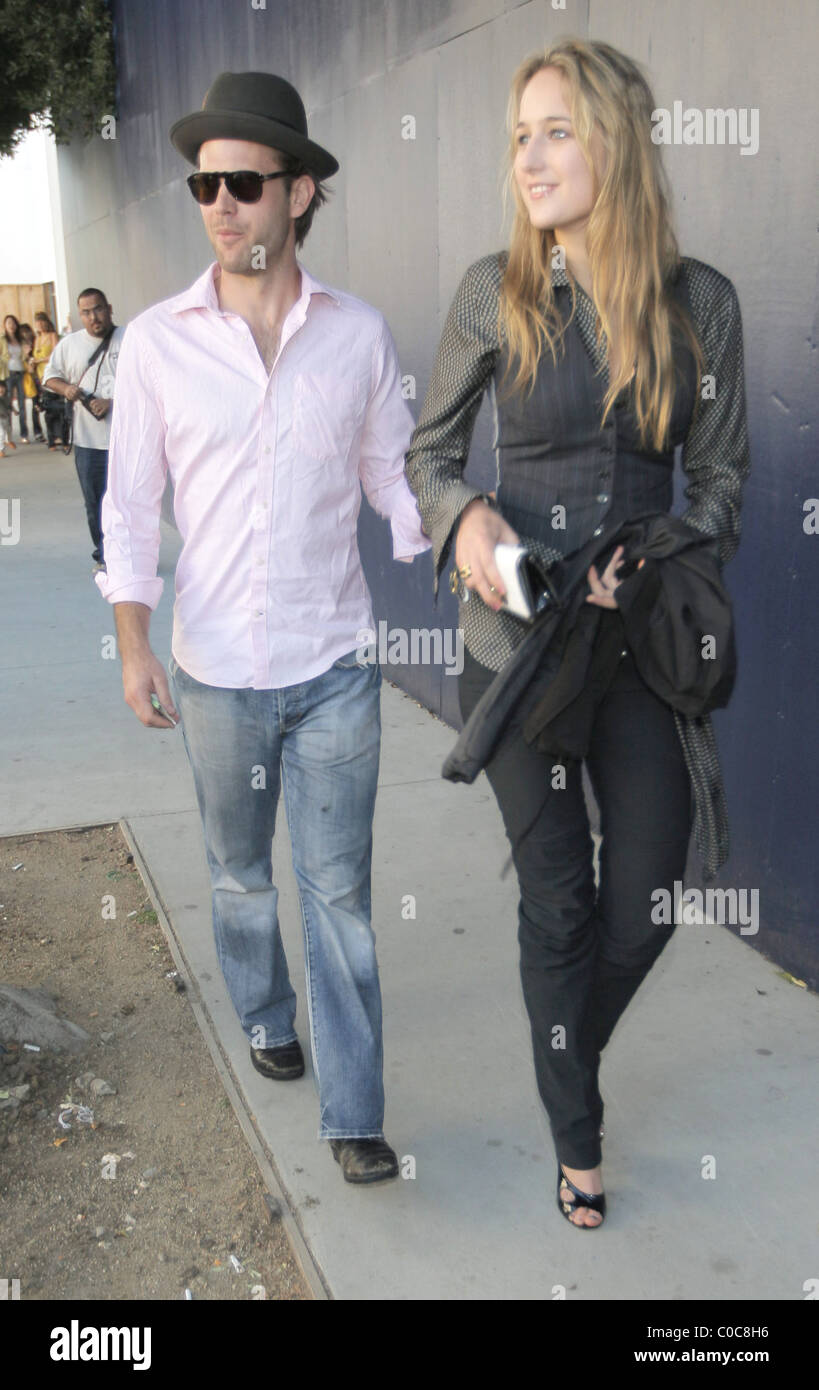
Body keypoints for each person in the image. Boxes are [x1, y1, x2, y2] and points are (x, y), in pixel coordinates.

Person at [405, 38, 750, 1228]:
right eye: (519, 135)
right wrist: (470, 527)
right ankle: (578, 1136)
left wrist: (648, 563)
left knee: (646, 897)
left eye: (557, 129)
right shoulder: (487, 294)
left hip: (640, 655)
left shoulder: (699, 302)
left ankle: (567, 1054)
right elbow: (429, 459)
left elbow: (716, 484)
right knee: (558, 900)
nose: (532, 157)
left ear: (617, 142)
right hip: (518, 655)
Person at [96, 71, 430, 1185]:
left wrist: (462, 547)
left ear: (300, 193)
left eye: (244, 182)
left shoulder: (361, 336)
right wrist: (135, 640)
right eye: (205, 183)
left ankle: (354, 1114)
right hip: (216, 674)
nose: (222, 203)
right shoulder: (153, 345)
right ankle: (262, 1008)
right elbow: (132, 504)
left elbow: (392, 479)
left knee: (337, 892)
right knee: (243, 877)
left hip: (335, 665)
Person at [43, 289, 123, 572]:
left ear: (109, 308)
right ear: (80, 315)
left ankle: (131, 556)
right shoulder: (70, 344)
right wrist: (67, 389)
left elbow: (150, 383)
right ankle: (104, 556)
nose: (94, 317)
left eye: (98, 309)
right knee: (95, 502)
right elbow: (49, 376)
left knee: (129, 502)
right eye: (87, 312)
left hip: (126, 440)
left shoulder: (129, 339)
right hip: (88, 442)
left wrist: (112, 401)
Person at [32, 313, 64, 449]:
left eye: (41, 322)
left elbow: (55, 355)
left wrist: (39, 360)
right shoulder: (37, 339)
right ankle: (52, 437)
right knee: (47, 408)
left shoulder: (52, 335)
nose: (39, 325)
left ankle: (61, 436)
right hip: (40, 375)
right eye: (37, 323)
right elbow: (35, 354)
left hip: (52, 374)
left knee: (57, 407)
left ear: (46, 322)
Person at [1, 315, 29, 442]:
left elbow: (24, 356)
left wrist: (27, 354)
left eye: (13, 323)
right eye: (8, 323)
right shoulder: (2, 339)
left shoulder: (21, 340)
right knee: (7, 405)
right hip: (8, 373)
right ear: (5, 326)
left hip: (20, 373)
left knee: (22, 404)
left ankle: (24, 434)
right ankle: (8, 435)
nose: (11, 325)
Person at [19, 323, 45, 442]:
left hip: (40, 378)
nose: (27, 338)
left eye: (28, 334)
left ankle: (43, 431)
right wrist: (27, 357)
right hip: (31, 382)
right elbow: (29, 369)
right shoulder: (22, 352)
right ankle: (37, 432)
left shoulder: (36, 345)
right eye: (24, 336)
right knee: (35, 406)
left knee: (42, 405)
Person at [0, 379, 17, 456]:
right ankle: (1, 450)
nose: (1, 389)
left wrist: (15, 410)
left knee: (9, 430)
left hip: (5, 418)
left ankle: (9, 441)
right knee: (1, 433)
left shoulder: (6, 397)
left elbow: (10, 405)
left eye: (3, 387)